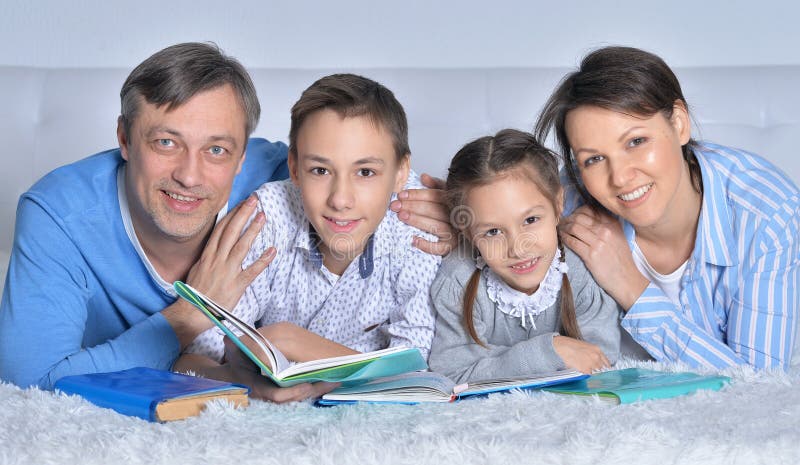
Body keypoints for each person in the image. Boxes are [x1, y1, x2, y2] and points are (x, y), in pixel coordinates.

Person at [0, 43, 450, 401]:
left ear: (242, 154)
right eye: (165, 142)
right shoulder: (56, 214)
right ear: (124, 138)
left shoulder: (279, 178)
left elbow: (366, 168)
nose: (190, 175)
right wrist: (189, 317)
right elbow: (28, 383)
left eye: (217, 149)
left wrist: (457, 215)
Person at [535, 46, 800, 370]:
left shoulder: (767, 215)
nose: (619, 178)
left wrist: (630, 285)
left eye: (636, 142)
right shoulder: (568, 205)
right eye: (594, 159)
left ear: (679, 124)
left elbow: (761, 382)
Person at [174, 74, 441, 377]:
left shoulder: (422, 228)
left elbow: (416, 375)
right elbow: (194, 357)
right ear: (295, 169)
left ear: (400, 173)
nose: (340, 199)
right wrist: (240, 377)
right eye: (320, 170)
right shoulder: (268, 217)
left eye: (365, 172)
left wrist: (291, 341)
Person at [427, 129, 620, 383]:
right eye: (493, 231)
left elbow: (601, 358)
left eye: (530, 220)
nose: (517, 248)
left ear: (558, 203)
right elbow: (453, 373)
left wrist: (495, 363)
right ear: (467, 231)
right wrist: (550, 351)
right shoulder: (458, 282)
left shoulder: (581, 269)